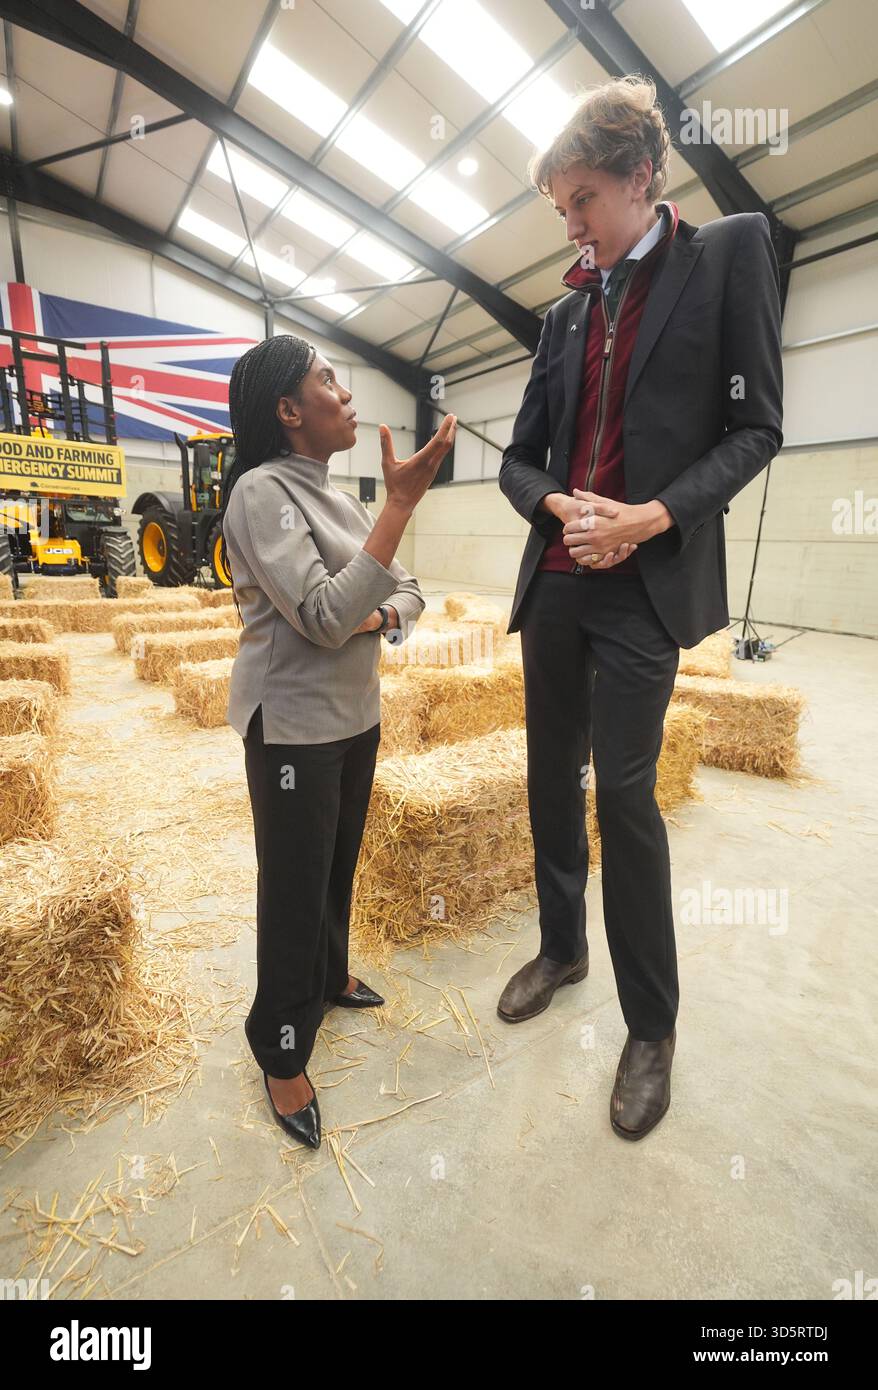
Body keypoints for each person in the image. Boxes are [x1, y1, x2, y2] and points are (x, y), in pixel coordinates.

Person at [497, 75, 783, 1139]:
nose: (568, 225)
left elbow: (755, 430)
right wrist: (558, 501)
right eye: (558, 209)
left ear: (639, 178)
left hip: (641, 587)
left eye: (579, 200)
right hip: (559, 580)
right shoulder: (565, 312)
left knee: (623, 795)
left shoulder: (728, 254)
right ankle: (562, 946)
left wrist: (650, 514)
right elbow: (518, 465)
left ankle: (649, 1027)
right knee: (545, 778)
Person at [219, 334, 456, 1148]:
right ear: (288, 410)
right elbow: (322, 617)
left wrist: (378, 612)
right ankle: (281, 1051)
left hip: (355, 715)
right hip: (292, 730)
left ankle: (327, 976)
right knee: (293, 885)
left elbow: (408, 590)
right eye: (328, 380)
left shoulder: (337, 494)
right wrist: (396, 513)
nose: (346, 393)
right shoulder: (261, 492)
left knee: (336, 863)